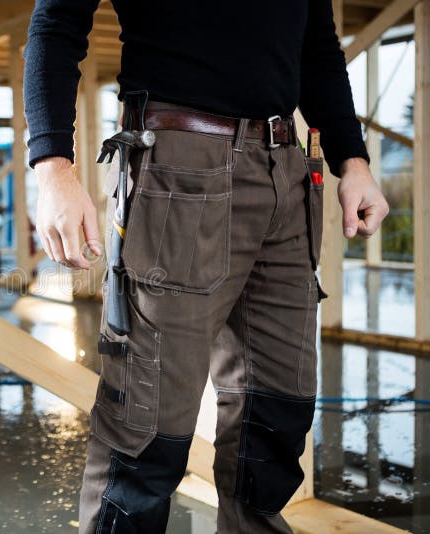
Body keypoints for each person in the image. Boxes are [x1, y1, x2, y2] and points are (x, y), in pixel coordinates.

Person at [23, 2, 389, 533]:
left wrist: (352, 161)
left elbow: (316, 47)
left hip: (287, 172)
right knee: (147, 427)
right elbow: (57, 21)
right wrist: (52, 166)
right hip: (178, 168)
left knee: (275, 414)